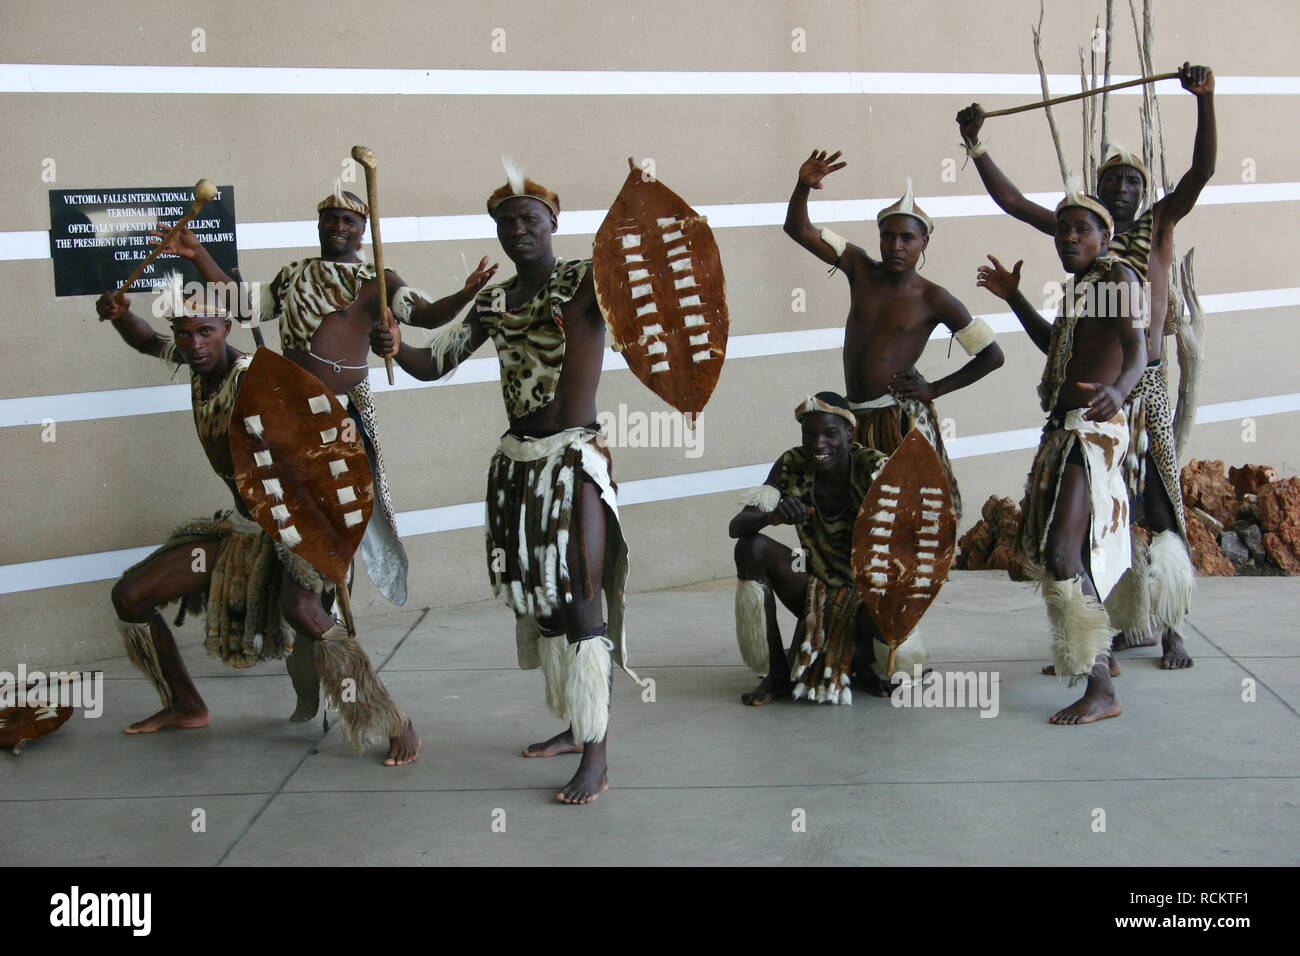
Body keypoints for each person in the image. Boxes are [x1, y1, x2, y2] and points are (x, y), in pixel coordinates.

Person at [371, 161, 626, 805]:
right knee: (546, 600)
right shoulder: (494, 300)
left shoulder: (585, 281)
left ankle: (597, 756)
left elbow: (643, 279)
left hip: (574, 462)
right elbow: (435, 363)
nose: (518, 230)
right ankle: (576, 724)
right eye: (506, 222)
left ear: (552, 224)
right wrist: (395, 345)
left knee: (583, 595)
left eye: (529, 219)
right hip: (519, 464)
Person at [96, 281, 419, 765]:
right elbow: (146, 340)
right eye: (184, 335)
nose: (194, 344)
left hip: (297, 527)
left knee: (306, 614)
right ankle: (185, 704)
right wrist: (121, 314)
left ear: (226, 327)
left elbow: (328, 442)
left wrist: (326, 526)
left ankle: (394, 720)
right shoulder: (194, 362)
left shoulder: (258, 378)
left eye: (205, 332)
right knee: (131, 595)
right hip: (246, 529)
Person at [957, 62, 1214, 668]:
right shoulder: (1086, 238)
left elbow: (1202, 171)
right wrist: (976, 145)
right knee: (1105, 510)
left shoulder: (1156, 226)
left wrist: (1205, 99)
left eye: (1132, 180)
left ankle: (1171, 624)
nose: (1124, 188)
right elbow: (1015, 203)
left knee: (1159, 499)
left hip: (1140, 383)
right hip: (1095, 396)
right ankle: (1114, 631)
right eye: (1113, 180)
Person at [152, 184, 497, 617]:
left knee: (338, 513)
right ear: (318, 225)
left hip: (340, 418)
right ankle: (297, 607)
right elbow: (244, 307)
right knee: (290, 512)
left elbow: (425, 316)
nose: (338, 226)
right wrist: (197, 254)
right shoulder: (294, 273)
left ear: (362, 229)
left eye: (348, 220)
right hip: (287, 414)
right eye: (330, 218)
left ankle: (328, 609)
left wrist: (466, 295)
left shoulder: (378, 279)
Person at [977, 186, 1147, 724]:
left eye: (1081, 229)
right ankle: (1097, 657)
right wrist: (1014, 298)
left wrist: (1120, 391)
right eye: (1061, 229)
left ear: (1106, 235)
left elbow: (1140, 348)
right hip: (1067, 428)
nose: (1068, 237)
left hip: (1091, 433)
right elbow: (1056, 346)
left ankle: (1100, 688)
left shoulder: (1118, 278)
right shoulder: (1081, 289)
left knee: (1059, 555)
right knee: (1071, 551)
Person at [784, 151, 1006, 522]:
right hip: (853, 418)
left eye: (907, 238)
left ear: (924, 243)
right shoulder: (859, 266)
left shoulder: (935, 298)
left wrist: (934, 388)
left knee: (908, 515)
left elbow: (992, 355)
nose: (896, 246)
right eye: (888, 237)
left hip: (898, 420)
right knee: (858, 515)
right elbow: (798, 229)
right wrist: (803, 186)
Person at [728, 392, 926, 706]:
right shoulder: (792, 464)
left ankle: (873, 661)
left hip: (866, 595)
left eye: (830, 434)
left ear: (849, 432)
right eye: (811, 435)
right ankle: (777, 673)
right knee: (751, 548)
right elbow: (736, 527)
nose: (819, 444)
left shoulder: (873, 466)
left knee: (891, 602)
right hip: (813, 586)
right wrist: (774, 515)